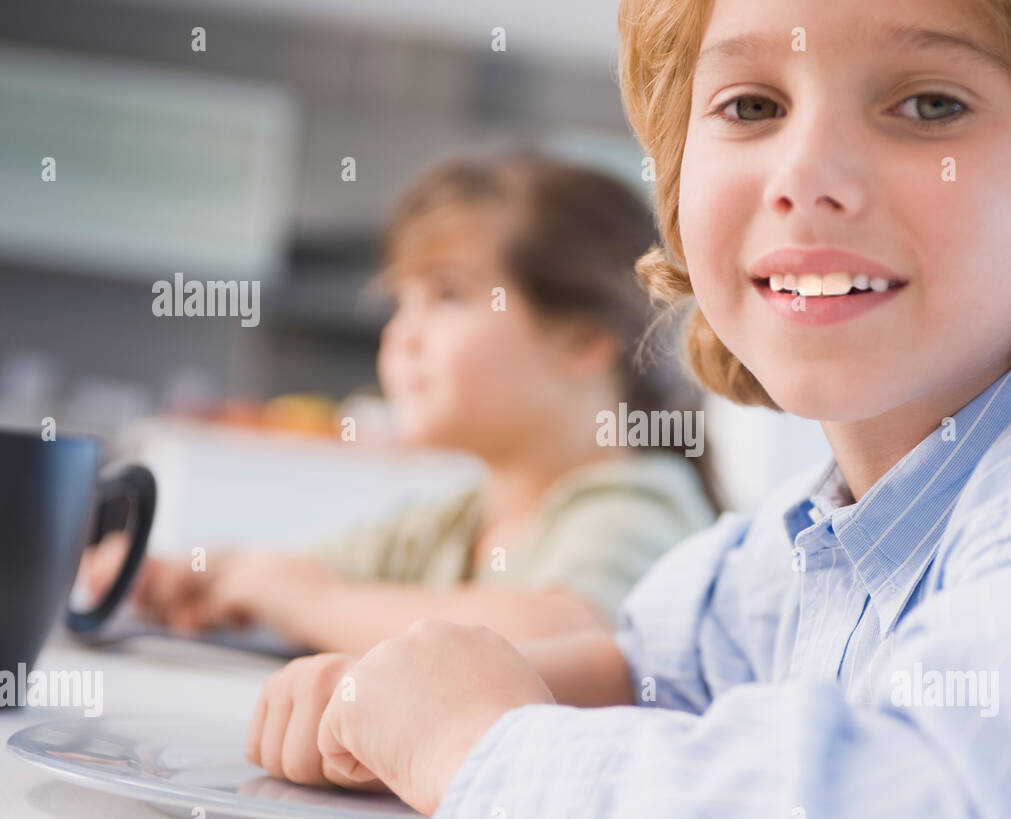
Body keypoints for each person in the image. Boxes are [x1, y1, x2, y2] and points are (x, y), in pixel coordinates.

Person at [244, 0, 1011, 819]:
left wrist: (480, 745)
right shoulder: (826, 528)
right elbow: (660, 665)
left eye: (928, 104)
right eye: (749, 104)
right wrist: (405, 696)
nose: (805, 177)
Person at [96, 150, 717, 653]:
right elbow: (303, 570)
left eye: (447, 295)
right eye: (402, 301)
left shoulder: (640, 504)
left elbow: (567, 637)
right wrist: (193, 577)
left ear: (583, 343)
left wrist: (308, 602)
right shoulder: (452, 523)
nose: (402, 334)